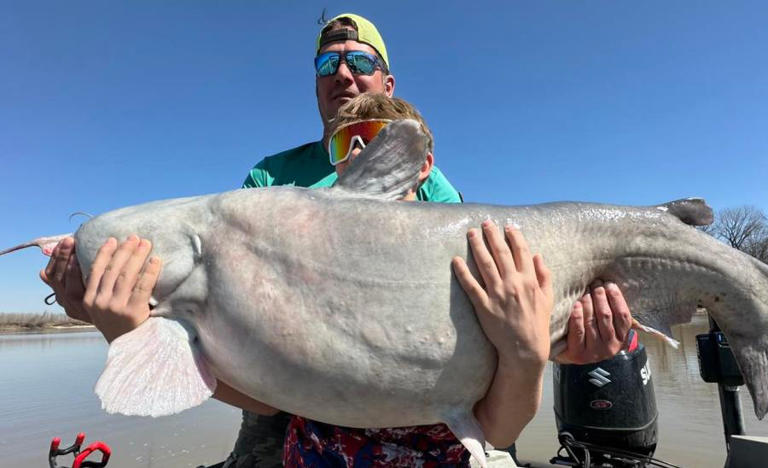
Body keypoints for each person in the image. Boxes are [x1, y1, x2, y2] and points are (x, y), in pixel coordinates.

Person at [39, 12, 633, 468]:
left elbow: (478, 341)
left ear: (419, 157)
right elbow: (244, 362)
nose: (343, 75)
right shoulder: (269, 176)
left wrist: (540, 347)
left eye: (359, 61)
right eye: (327, 65)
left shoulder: (442, 198)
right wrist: (130, 327)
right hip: (299, 403)